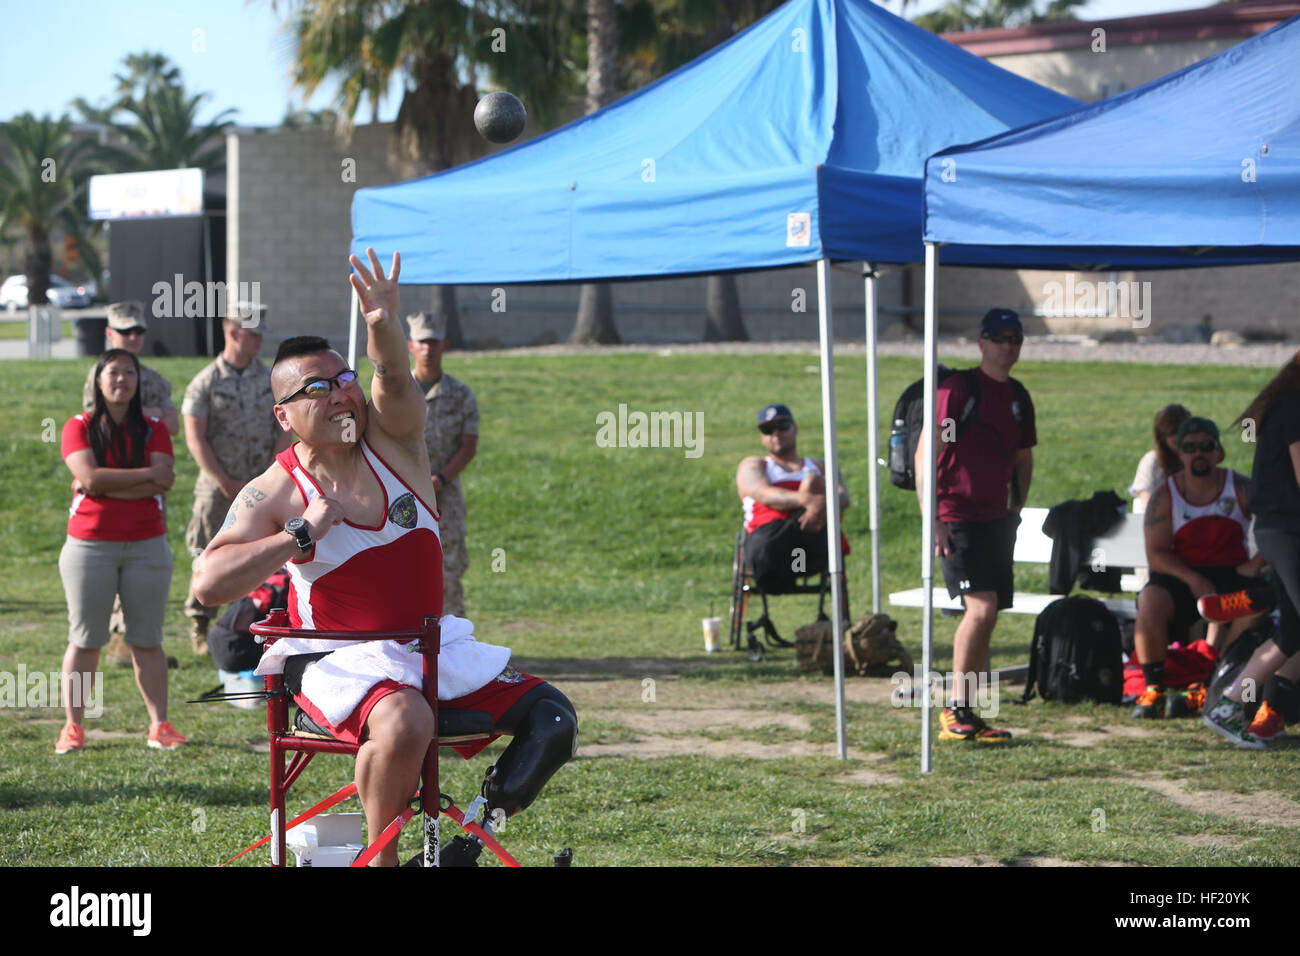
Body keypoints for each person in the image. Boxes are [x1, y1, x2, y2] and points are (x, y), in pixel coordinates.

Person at [192, 250, 575, 866]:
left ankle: (463, 845)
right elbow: (208, 583)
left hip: (426, 648)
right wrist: (298, 534)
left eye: (344, 379)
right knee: (403, 723)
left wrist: (380, 323)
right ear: (283, 415)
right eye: (317, 388)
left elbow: (394, 378)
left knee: (553, 719)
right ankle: (385, 859)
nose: (341, 394)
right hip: (337, 660)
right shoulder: (274, 490)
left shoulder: (395, 441)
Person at [57, 349, 184, 754]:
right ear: (98, 380)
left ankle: (159, 726)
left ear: (138, 381)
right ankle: (73, 727)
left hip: (148, 545)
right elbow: (88, 476)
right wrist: (143, 476)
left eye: (129, 372)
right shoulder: (77, 426)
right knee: (86, 640)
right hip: (89, 546)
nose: (121, 379)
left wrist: (104, 484)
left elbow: (164, 483)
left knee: (147, 640)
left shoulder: (153, 427)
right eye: (113, 372)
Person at [917, 308, 1035, 742]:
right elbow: (926, 454)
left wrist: (1017, 507)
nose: (1008, 345)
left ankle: (972, 713)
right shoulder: (958, 389)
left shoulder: (1018, 396)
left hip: (997, 518)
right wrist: (934, 519)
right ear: (981, 343)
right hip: (957, 515)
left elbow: (1023, 455)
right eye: (999, 337)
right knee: (980, 608)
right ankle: (955, 708)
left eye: (1015, 338)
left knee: (989, 616)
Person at [1132, 416, 1265, 720]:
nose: (1199, 454)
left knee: (1255, 606)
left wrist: (1255, 565)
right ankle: (1153, 689)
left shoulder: (1241, 487)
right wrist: (1192, 578)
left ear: (1219, 452)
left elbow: (1277, 526)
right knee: (1149, 600)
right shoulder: (1166, 495)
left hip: (1230, 575)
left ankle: (1210, 684)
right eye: (1190, 448)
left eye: (1207, 446)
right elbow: (1156, 554)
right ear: (1180, 454)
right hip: (1181, 576)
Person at [1203, 357, 1300, 747]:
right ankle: (1229, 707)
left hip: (1284, 530)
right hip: (1286, 531)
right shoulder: (1294, 404)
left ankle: (1266, 715)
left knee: (1293, 632)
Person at [181, 303, 289, 654]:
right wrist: (224, 481)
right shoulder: (206, 383)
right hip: (218, 488)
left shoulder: (268, 378)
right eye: (253, 334)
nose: (259, 342)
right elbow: (195, 438)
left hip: (262, 489)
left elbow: (284, 428)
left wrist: (272, 475)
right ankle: (200, 622)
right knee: (206, 553)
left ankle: (247, 620)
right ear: (233, 333)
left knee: (258, 556)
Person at [83, 302, 179, 668]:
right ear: (109, 333)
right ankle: (118, 637)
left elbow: (171, 424)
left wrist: (142, 416)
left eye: (139, 331)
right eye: (126, 332)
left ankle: (135, 637)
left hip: (150, 484)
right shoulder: (100, 374)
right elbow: (98, 425)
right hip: (110, 484)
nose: (133, 338)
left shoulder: (153, 378)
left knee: (144, 555)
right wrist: (147, 417)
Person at [735, 403, 849, 596]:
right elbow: (762, 493)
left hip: (807, 550)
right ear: (762, 437)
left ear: (795, 428)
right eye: (768, 430)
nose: (776, 434)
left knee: (813, 481)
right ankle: (778, 581)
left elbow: (843, 497)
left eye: (782, 426)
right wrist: (808, 501)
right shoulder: (755, 465)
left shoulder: (820, 465)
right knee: (767, 541)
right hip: (772, 546)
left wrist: (817, 506)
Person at [407, 311, 478, 616]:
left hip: (444, 498)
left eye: (434, 342)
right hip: (404, 496)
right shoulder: (396, 392)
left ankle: (454, 646)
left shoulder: (460, 394)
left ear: (445, 345)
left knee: (449, 571)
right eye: (422, 342)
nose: (428, 349)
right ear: (411, 345)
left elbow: (468, 445)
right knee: (405, 572)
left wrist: (441, 480)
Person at [1130, 404, 1190, 513]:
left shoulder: (1194, 459)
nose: (1179, 438)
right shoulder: (1151, 461)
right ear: (1163, 437)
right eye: (1173, 434)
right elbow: (1146, 500)